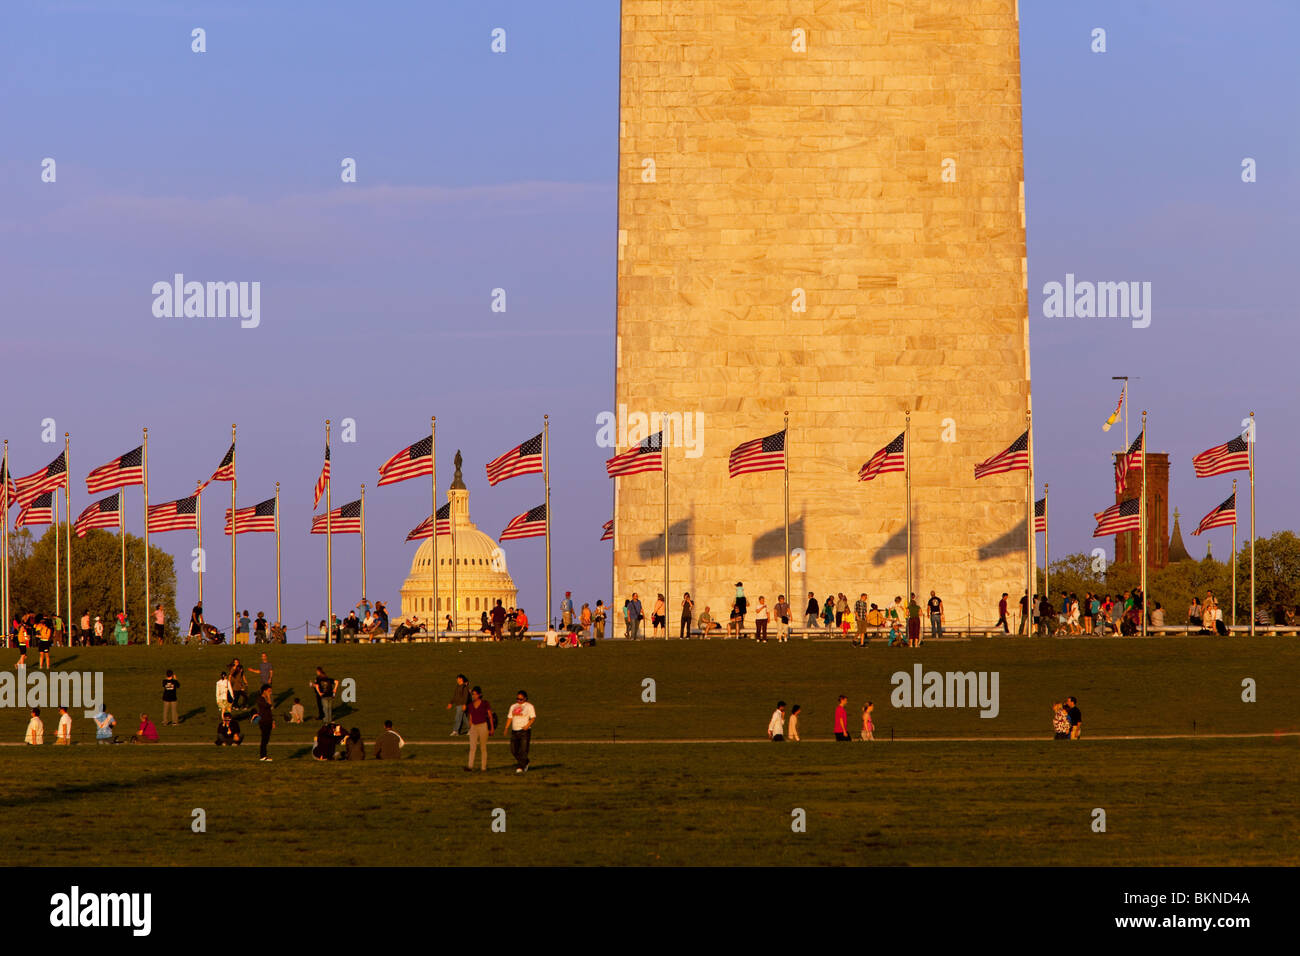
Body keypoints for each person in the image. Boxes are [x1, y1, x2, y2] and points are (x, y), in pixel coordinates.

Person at [504, 689, 537, 774]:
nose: (519, 701)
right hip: (514, 730)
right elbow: (510, 717)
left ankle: (521, 766)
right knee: (513, 750)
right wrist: (506, 727)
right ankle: (525, 761)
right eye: (517, 699)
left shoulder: (529, 706)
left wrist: (527, 726)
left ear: (525, 698)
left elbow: (533, 718)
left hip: (524, 731)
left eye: (521, 699)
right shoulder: (513, 706)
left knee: (523, 750)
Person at [464, 686, 495, 772]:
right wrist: (470, 728)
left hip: (483, 726)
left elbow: (490, 716)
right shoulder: (470, 705)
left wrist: (491, 728)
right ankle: (470, 766)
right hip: (474, 726)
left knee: (483, 747)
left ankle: (483, 767)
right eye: (472, 694)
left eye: (475, 694)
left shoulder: (485, 703)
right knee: (472, 747)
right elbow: (470, 717)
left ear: (479, 694)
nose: (473, 696)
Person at [255, 684, 275, 761]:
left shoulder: (266, 699)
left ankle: (264, 755)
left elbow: (270, 710)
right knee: (264, 739)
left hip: (269, 720)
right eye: (269, 691)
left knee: (266, 739)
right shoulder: (260, 699)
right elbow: (268, 706)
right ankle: (263, 756)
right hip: (263, 721)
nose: (270, 693)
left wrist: (273, 721)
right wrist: (269, 697)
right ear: (264, 691)